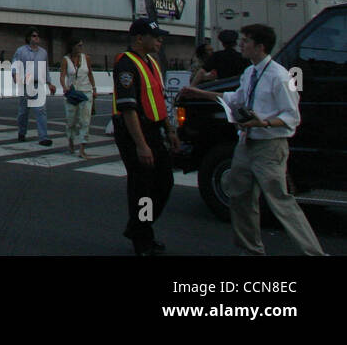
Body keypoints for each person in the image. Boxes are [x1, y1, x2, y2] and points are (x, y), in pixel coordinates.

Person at [183, 23, 325, 255]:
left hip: (269, 146)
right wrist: (200, 92)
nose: (241, 45)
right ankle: (251, 249)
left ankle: (314, 253)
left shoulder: (281, 76)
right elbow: (236, 99)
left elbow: (292, 116)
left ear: (260, 46)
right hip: (246, 143)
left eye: (246, 41)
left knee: (280, 201)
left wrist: (263, 122)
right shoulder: (250, 72)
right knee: (239, 197)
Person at [112, 17, 178, 256]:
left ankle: (138, 227)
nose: (160, 40)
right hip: (135, 133)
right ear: (140, 38)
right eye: (155, 36)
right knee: (142, 189)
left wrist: (169, 130)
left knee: (163, 183)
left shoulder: (150, 61)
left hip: (154, 130)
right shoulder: (126, 65)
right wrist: (141, 145)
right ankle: (142, 240)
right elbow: (128, 109)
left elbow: (159, 99)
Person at [12, 29, 55, 145]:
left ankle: (43, 137)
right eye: (34, 36)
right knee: (23, 112)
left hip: (38, 84)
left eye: (38, 36)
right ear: (29, 38)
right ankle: (22, 132)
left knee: (41, 111)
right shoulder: (20, 51)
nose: (37, 38)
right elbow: (15, 65)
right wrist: (16, 77)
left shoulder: (43, 53)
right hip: (25, 85)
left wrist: (49, 83)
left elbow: (45, 69)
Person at [60, 39, 96, 158]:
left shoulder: (86, 58)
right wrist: (64, 86)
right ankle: (70, 142)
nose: (81, 47)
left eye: (82, 45)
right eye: (79, 45)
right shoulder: (66, 60)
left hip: (86, 92)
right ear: (73, 46)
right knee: (71, 120)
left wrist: (94, 88)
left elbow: (90, 73)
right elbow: (62, 75)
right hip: (72, 92)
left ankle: (82, 148)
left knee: (85, 121)